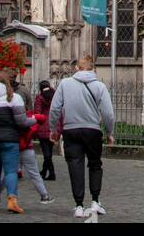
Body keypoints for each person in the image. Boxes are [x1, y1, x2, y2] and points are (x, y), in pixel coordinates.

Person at [49, 55, 115, 220]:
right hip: (92, 130)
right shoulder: (100, 86)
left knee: (75, 166)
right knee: (95, 164)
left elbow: (55, 108)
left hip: (71, 130)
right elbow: (108, 113)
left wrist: (53, 129)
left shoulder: (64, 84)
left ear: (76, 68)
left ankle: (78, 205)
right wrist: (110, 132)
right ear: (93, 69)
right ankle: (95, 201)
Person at [0, 75, 33, 213]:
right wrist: (34, 120)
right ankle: (12, 200)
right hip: (9, 140)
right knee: (10, 171)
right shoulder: (14, 98)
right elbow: (22, 122)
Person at [17, 103, 54, 206]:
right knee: (35, 174)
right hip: (27, 149)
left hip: (13, 148)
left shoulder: (11, 119)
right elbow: (42, 118)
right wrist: (33, 116)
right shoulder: (29, 119)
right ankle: (44, 195)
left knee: (7, 173)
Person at [34, 80, 56, 181]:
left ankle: (51, 173)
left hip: (42, 127)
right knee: (49, 152)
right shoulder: (55, 96)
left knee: (46, 153)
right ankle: (44, 171)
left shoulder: (39, 98)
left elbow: (37, 113)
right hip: (53, 126)